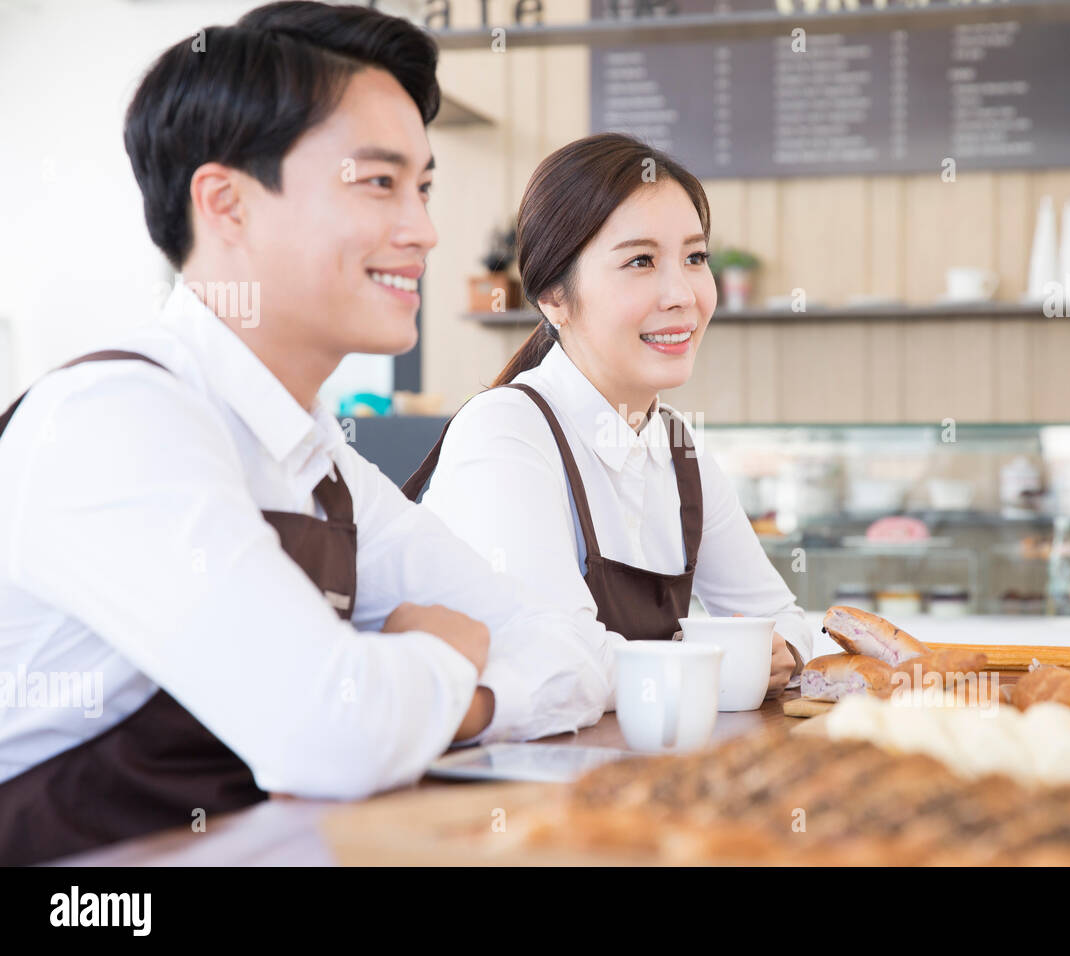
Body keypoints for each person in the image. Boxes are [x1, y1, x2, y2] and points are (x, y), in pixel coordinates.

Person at [0, 1, 606, 866]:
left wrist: (451, 697)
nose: (423, 231)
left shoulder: (321, 465)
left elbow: (567, 646)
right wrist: (440, 653)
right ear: (227, 205)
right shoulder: (113, 418)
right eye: (378, 182)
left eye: (424, 187)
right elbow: (329, 734)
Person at [404, 133, 815, 706]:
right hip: (514, 787)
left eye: (695, 258)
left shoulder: (674, 444)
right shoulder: (505, 432)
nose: (683, 294)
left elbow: (783, 618)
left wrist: (784, 651)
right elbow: (559, 662)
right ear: (553, 296)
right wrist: (726, 666)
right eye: (640, 261)